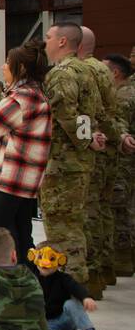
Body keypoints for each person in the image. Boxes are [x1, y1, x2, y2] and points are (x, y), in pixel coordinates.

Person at [0, 42, 51, 269]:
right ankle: (29, 288)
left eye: (8, 62)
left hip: (9, 179)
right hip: (25, 180)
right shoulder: (37, 95)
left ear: (22, 69)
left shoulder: (20, 98)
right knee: (21, 237)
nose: (3, 66)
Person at [41, 23, 101, 287]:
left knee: (61, 227)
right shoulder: (84, 70)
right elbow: (88, 114)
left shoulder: (62, 73)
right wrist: (89, 139)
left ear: (63, 41)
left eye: (49, 37)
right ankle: (82, 283)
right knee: (75, 222)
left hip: (63, 161)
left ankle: (70, 287)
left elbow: (66, 114)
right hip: (77, 160)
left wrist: (86, 140)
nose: (46, 42)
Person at [78, 28, 135, 296]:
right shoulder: (112, 89)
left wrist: (86, 138)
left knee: (97, 212)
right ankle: (107, 267)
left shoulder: (82, 74)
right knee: (106, 210)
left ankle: (98, 270)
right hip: (112, 152)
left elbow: (81, 117)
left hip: (100, 156)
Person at [28, 242, 110, 330]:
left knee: (72, 303)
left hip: (64, 319)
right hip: (45, 325)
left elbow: (76, 287)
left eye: (52, 258)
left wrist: (85, 298)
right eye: (41, 257)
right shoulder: (30, 278)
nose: (45, 263)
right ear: (34, 257)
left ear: (60, 261)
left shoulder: (64, 279)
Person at [104, 54, 135, 277]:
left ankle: (122, 259)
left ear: (115, 73)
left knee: (120, 208)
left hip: (124, 160)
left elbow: (120, 128)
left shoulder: (122, 95)